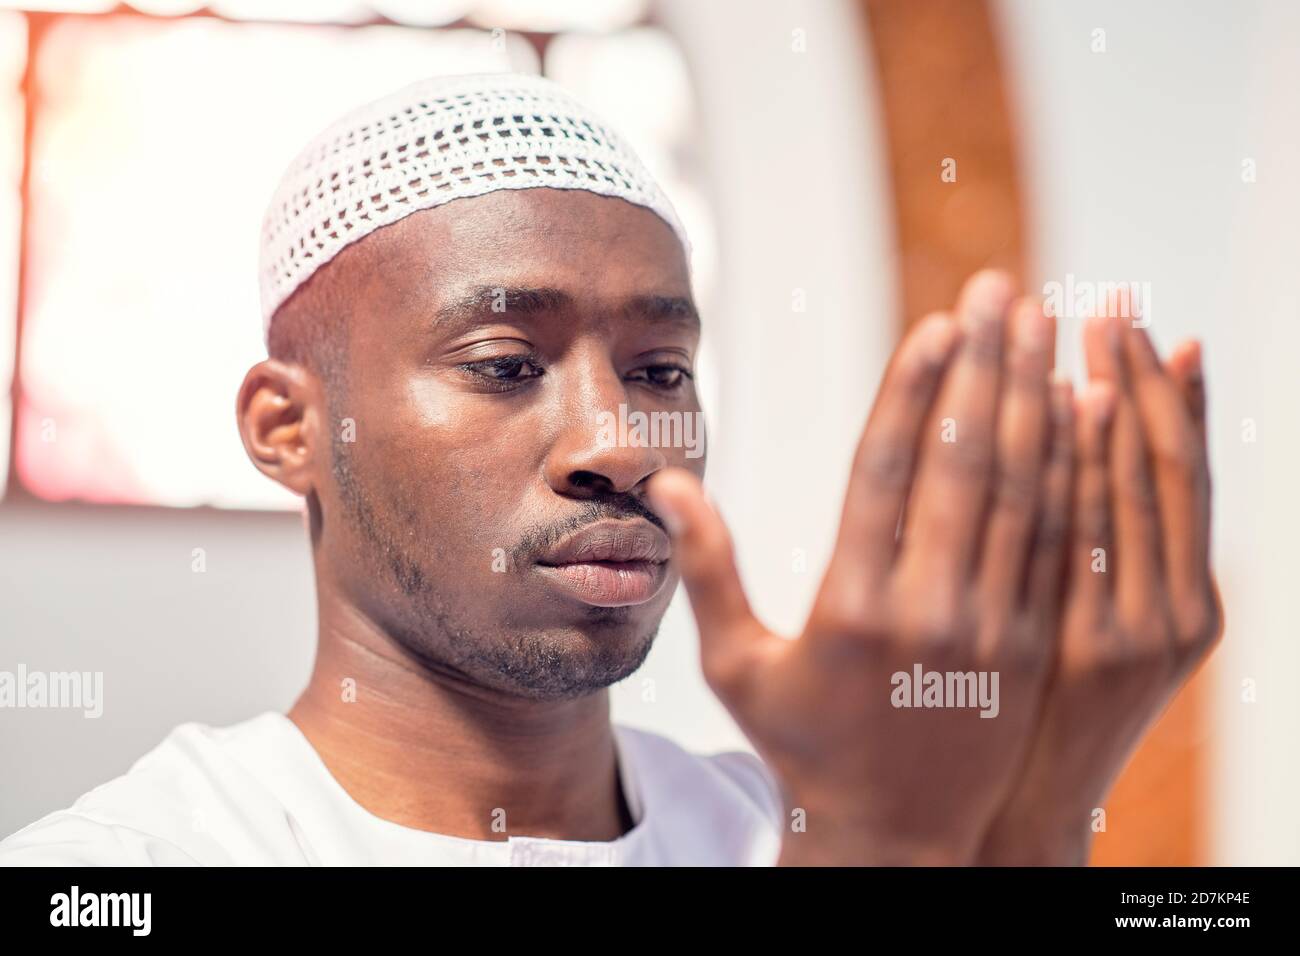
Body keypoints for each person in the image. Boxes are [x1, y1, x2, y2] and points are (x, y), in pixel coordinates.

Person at [0, 72, 1221, 866]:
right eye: (502, 362)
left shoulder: (773, 826)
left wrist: (1044, 808)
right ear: (287, 428)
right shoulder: (126, 863)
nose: (620, 446)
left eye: (658, 371)